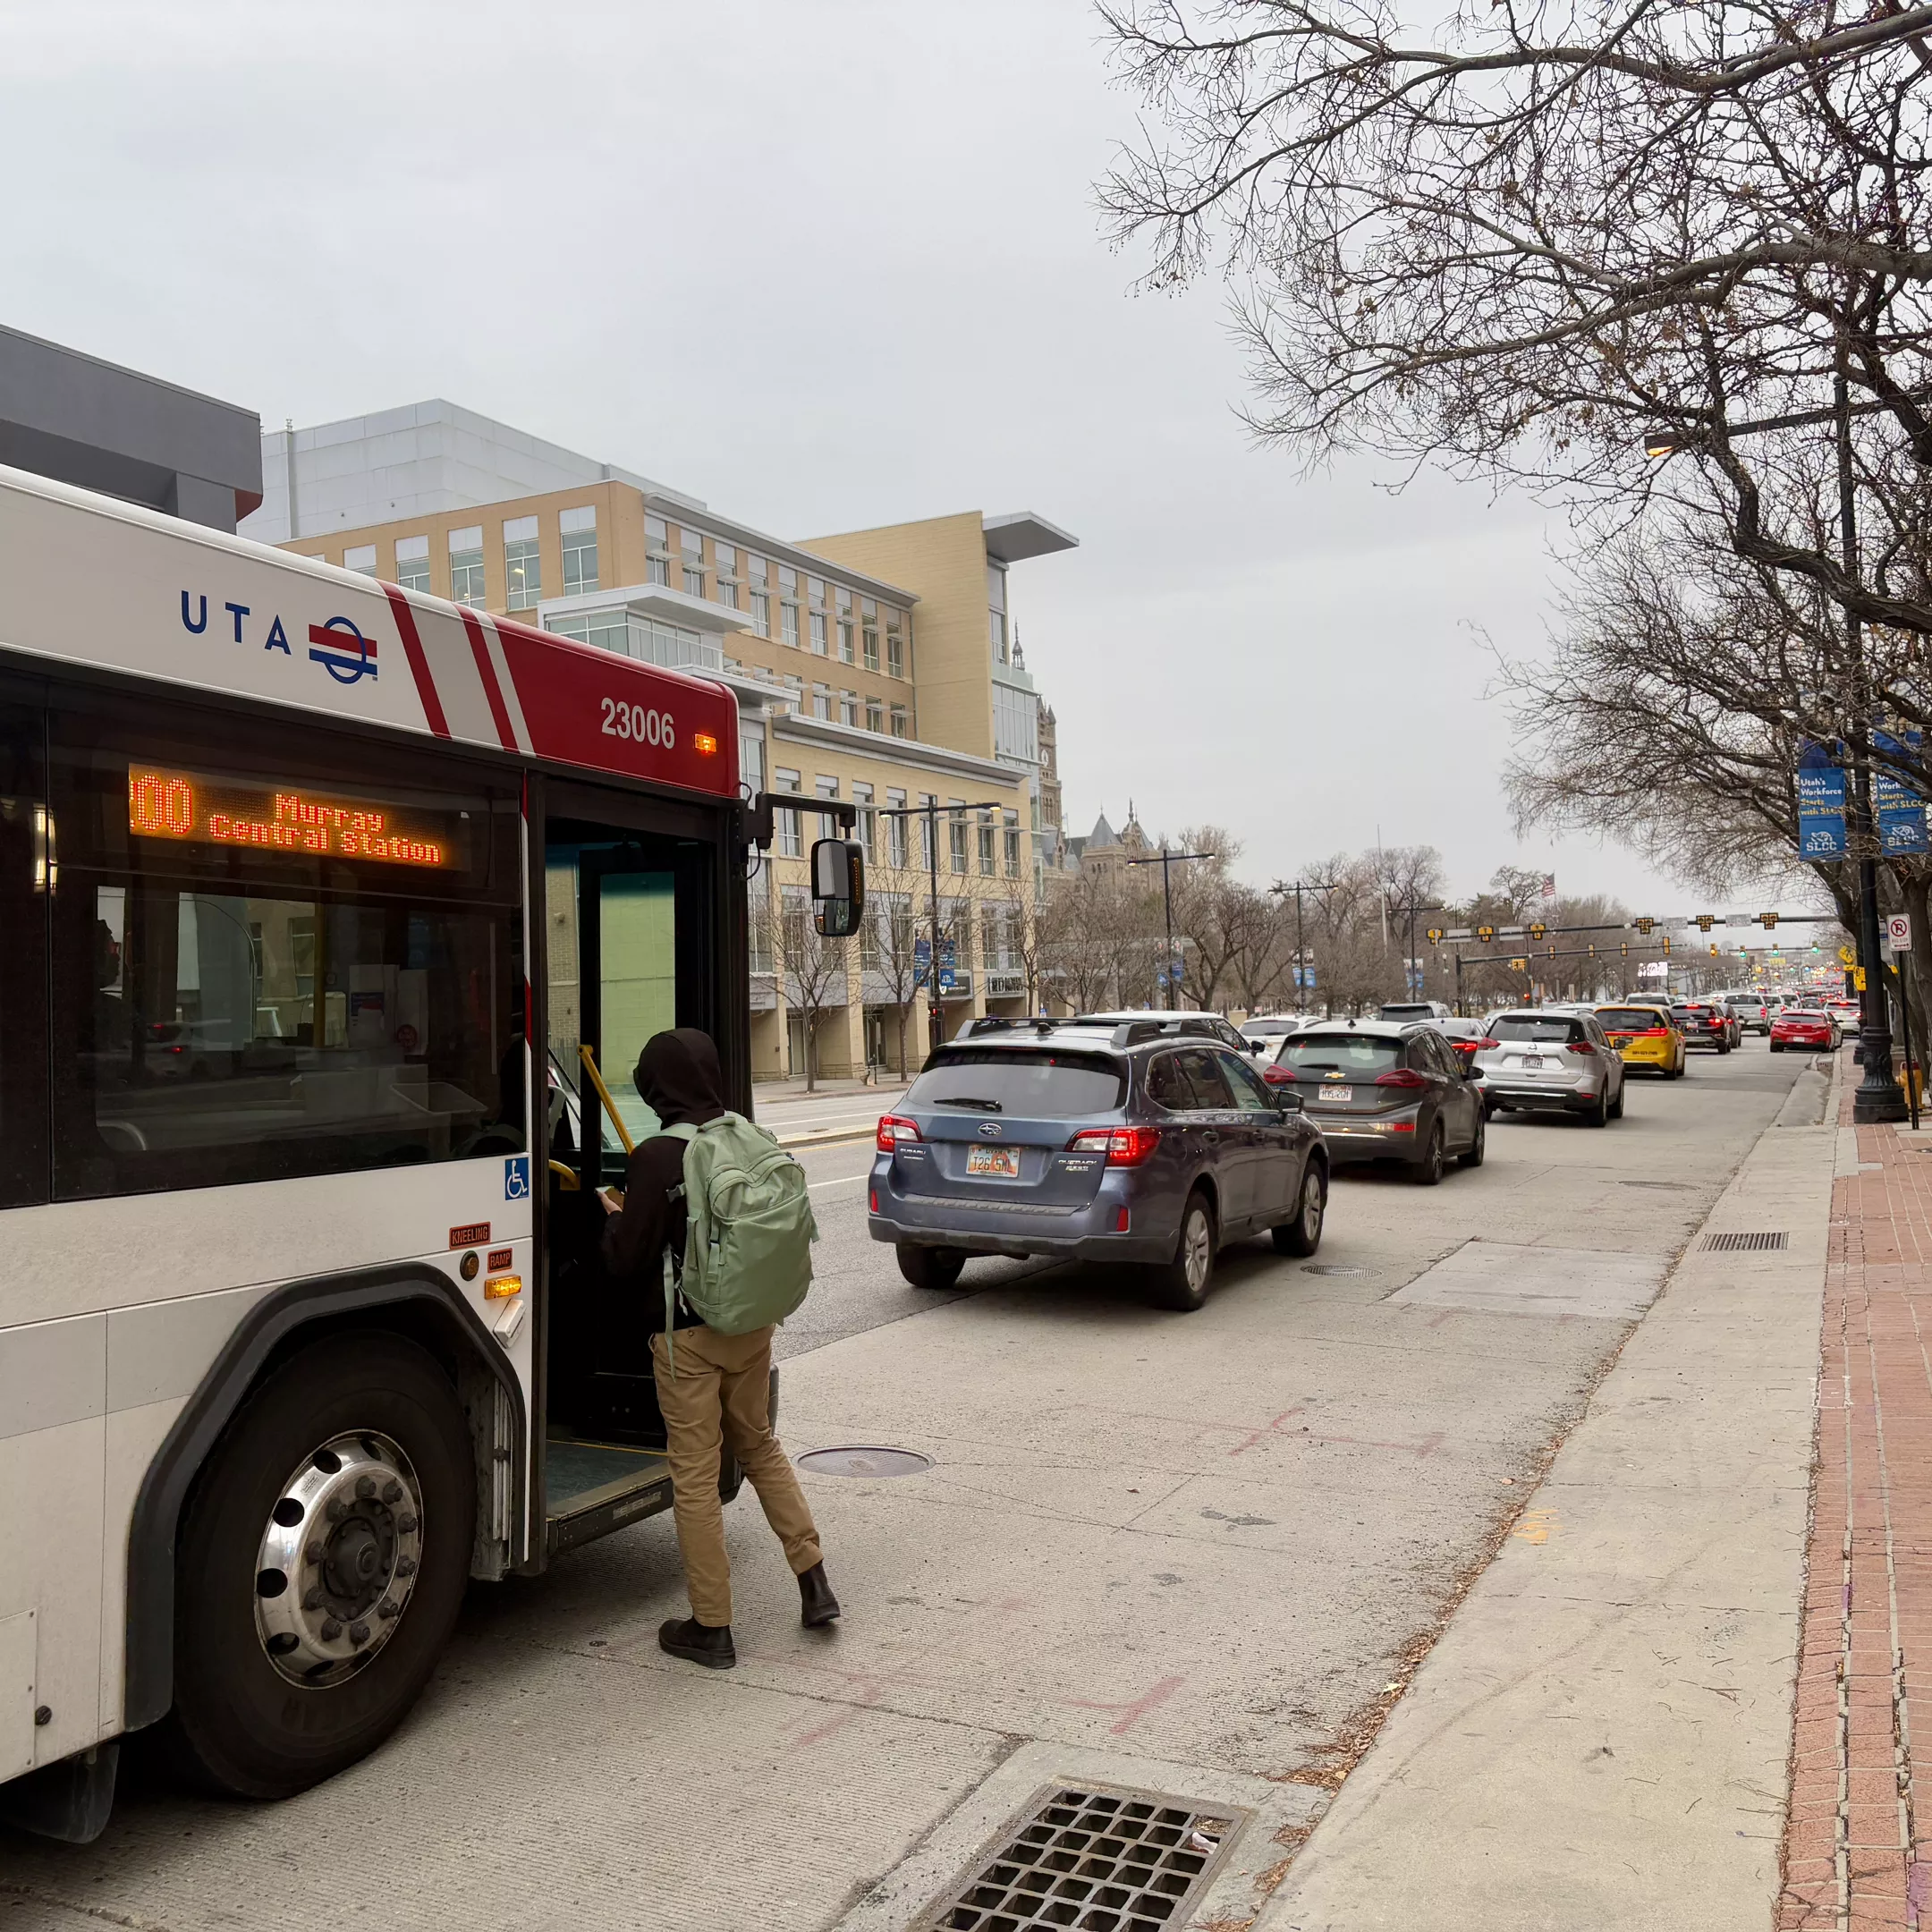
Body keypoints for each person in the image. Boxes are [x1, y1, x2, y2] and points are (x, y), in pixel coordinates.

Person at [601, 1027, 838, 1668]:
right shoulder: (747, 1136)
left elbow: (627, 1263)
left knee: (697, 1479)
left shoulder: (656, 1157)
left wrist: (615, 1218)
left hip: (689, 1341)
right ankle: (814, 1583)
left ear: (656, 1087)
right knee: (759, 1445)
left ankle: (712, 1626)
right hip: (753, 1325)